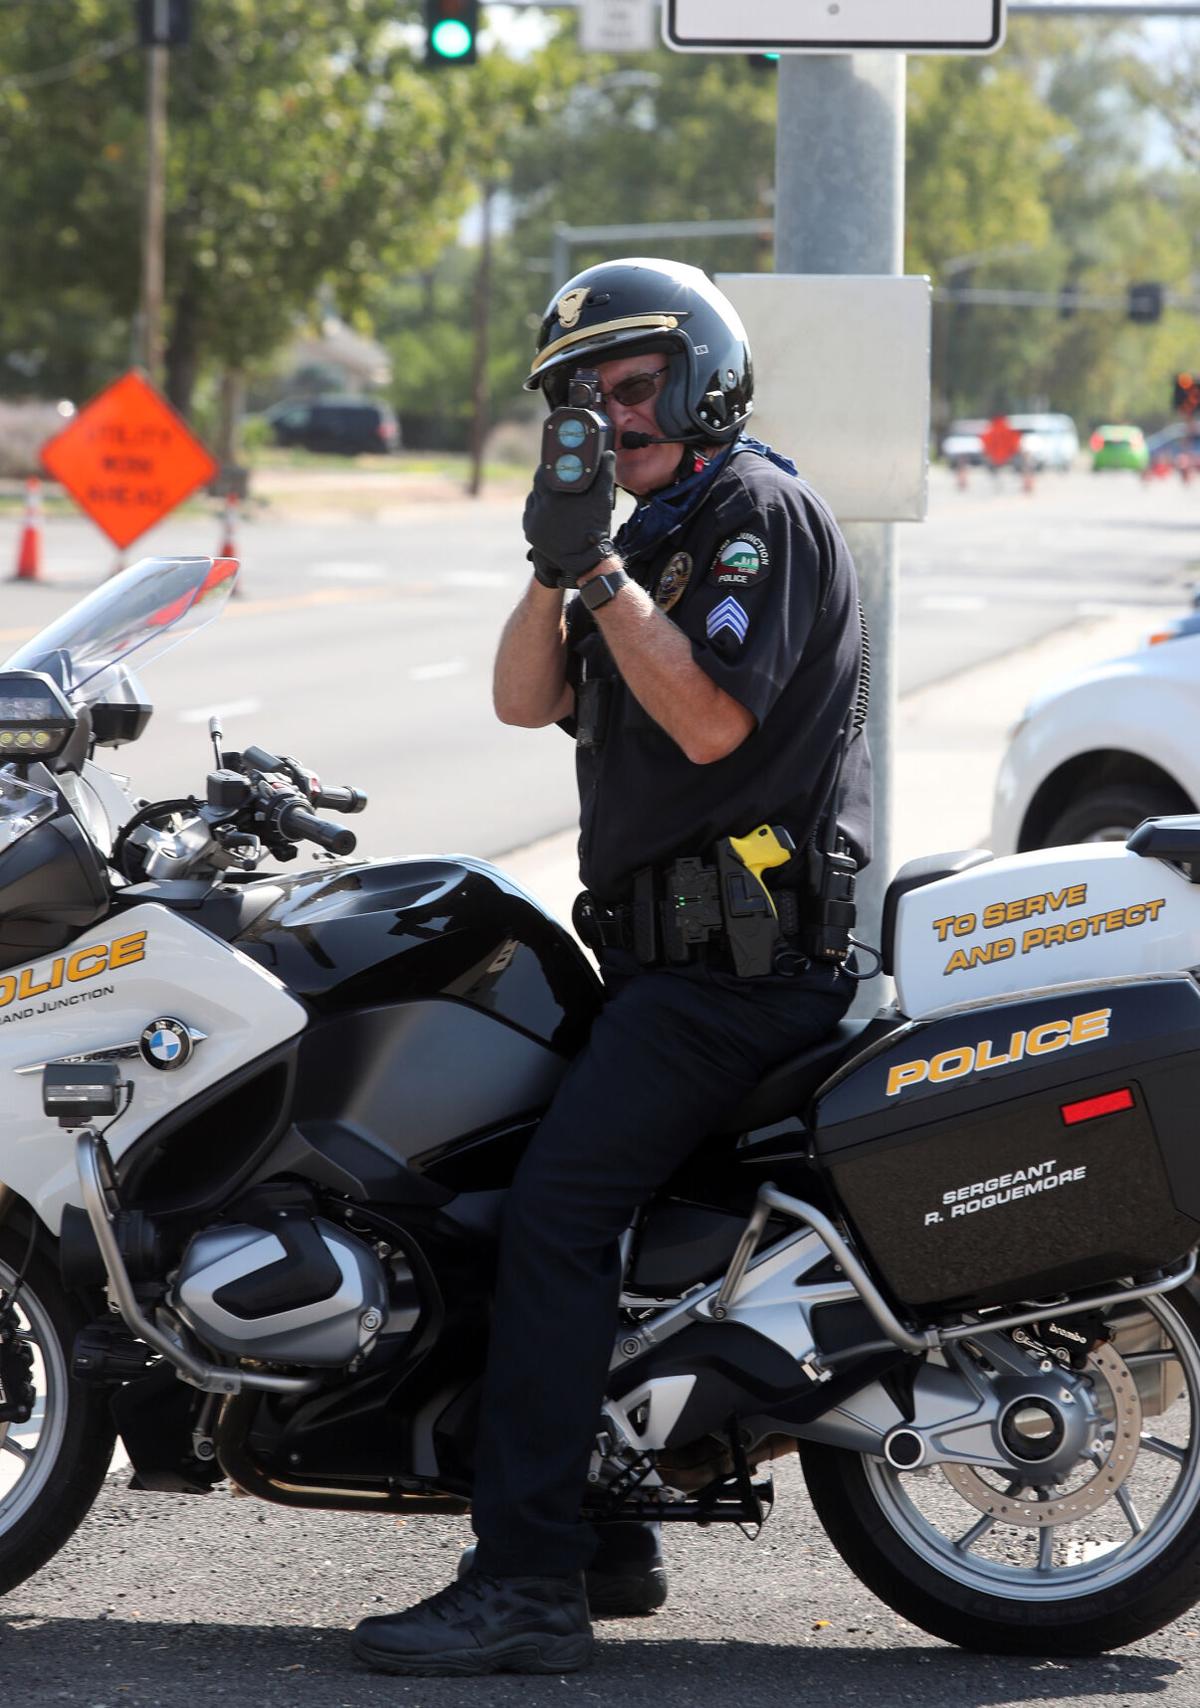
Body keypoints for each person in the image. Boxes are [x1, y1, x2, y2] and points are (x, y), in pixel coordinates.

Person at [352, 257, 872, 1677]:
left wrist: (601, 569)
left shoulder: (751, 517)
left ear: (704, 379)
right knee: (488, 1165)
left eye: (633, 384)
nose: (610, 412)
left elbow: (710, 725)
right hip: (659, 970)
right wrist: (555, 559)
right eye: (582, 396)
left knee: (557, 1216)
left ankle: (525, 1581)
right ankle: (604, 1530)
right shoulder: (646, 535)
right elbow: (528, 700)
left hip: (737, 980)